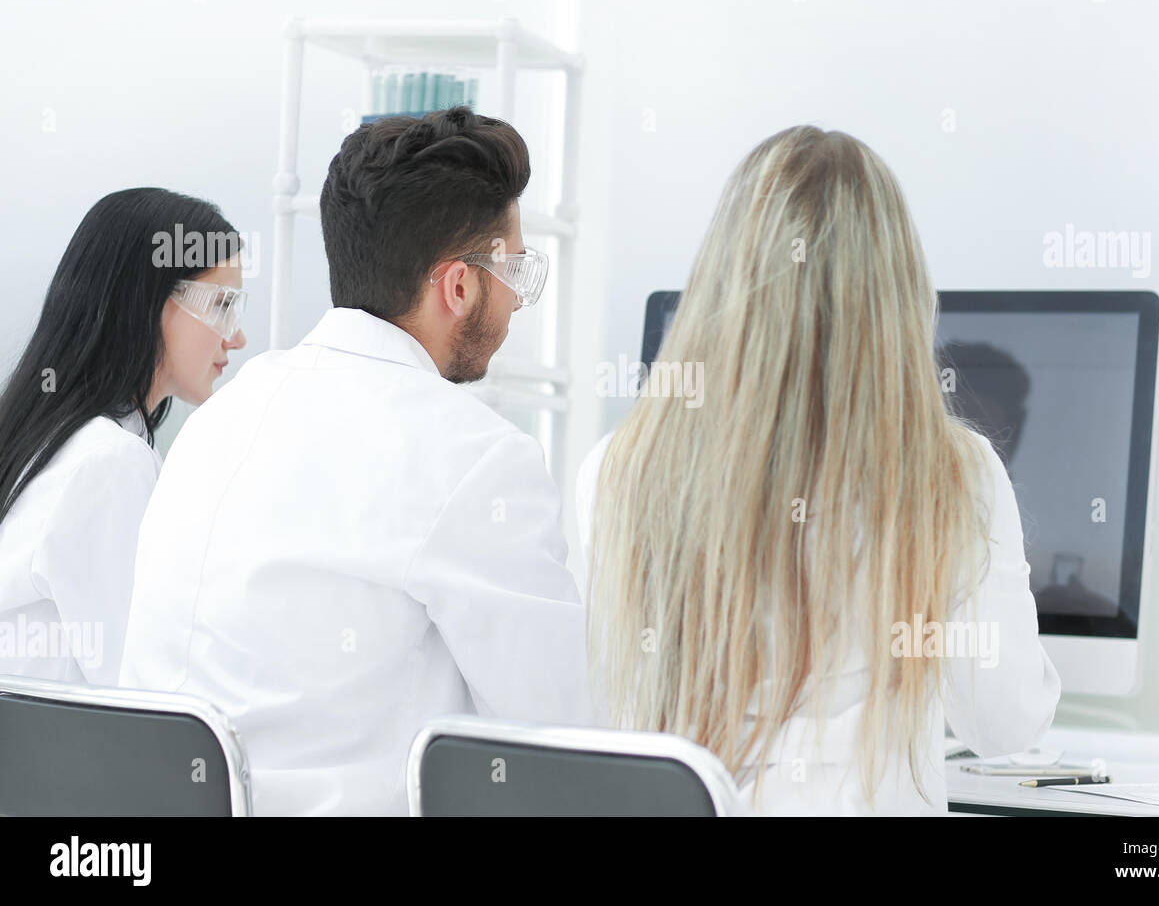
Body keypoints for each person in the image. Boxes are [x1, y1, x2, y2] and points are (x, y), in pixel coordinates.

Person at [120, 108, 594, 816]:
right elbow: (567, 750)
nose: (519, 301)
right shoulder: (476, 456)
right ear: (458, 288)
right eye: (516, 270)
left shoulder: (220, 417)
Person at [576, 125, 1060, 815]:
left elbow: (607, 713)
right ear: (898, 293)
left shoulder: (619, 470)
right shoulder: (954, 476)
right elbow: (1005, 723)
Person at [0, 188, 247, 685]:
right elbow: (138, 684)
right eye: (222, 304)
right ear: (153, 301)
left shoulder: (55, 439)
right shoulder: (109, 463)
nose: (236, 336)